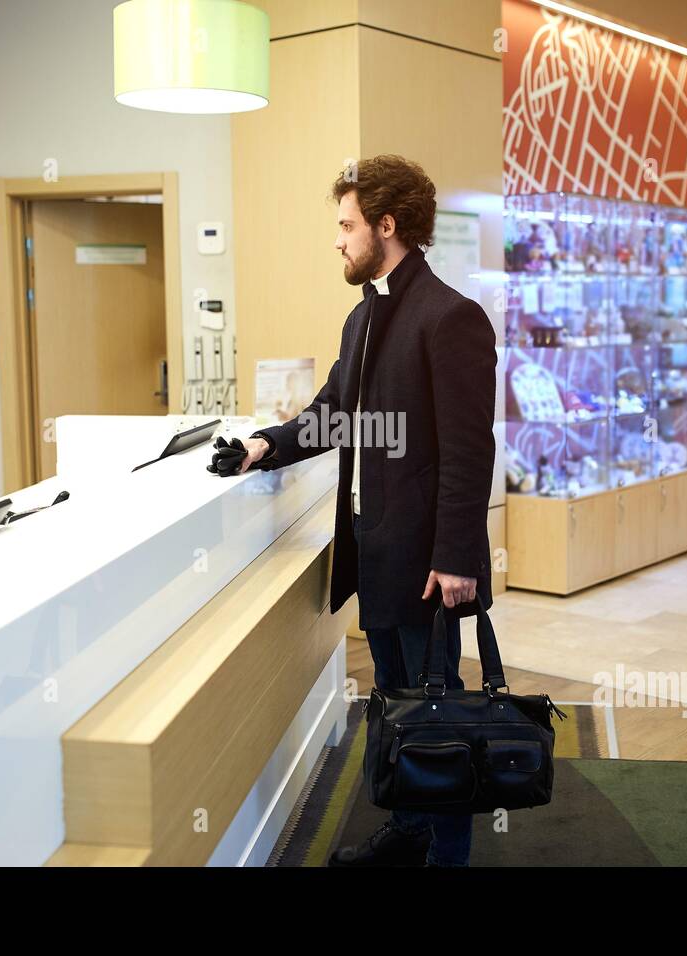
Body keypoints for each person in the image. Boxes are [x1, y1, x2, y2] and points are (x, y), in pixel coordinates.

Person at [214, 155, 497, 866]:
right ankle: (408, 828)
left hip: (430, 559)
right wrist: (260, 446)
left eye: (347, 225)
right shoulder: (362, 318)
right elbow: (333, 414)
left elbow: (469, 452)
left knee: (437, 709)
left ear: (388, 225)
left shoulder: (451, 317)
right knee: (396, 698)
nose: (338, 240)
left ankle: (448, 854)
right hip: (377, 548)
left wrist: (458, 556)